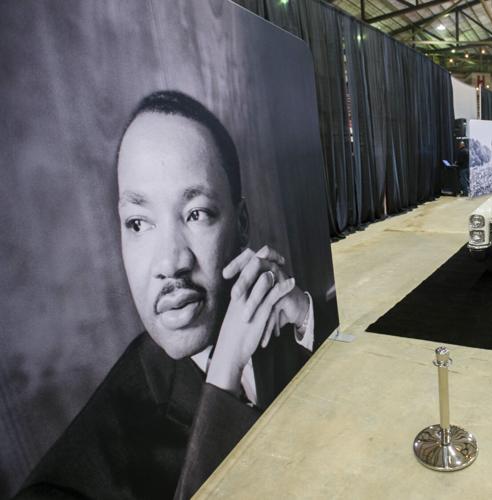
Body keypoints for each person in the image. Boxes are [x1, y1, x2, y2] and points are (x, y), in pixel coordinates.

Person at [18, 91, 316, 499]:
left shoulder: (270, 315)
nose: (170, 262)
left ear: (241, 223)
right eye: (138, 223)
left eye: (196, 214)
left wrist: (306, 317)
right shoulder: (70, 480)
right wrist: (223, 376)